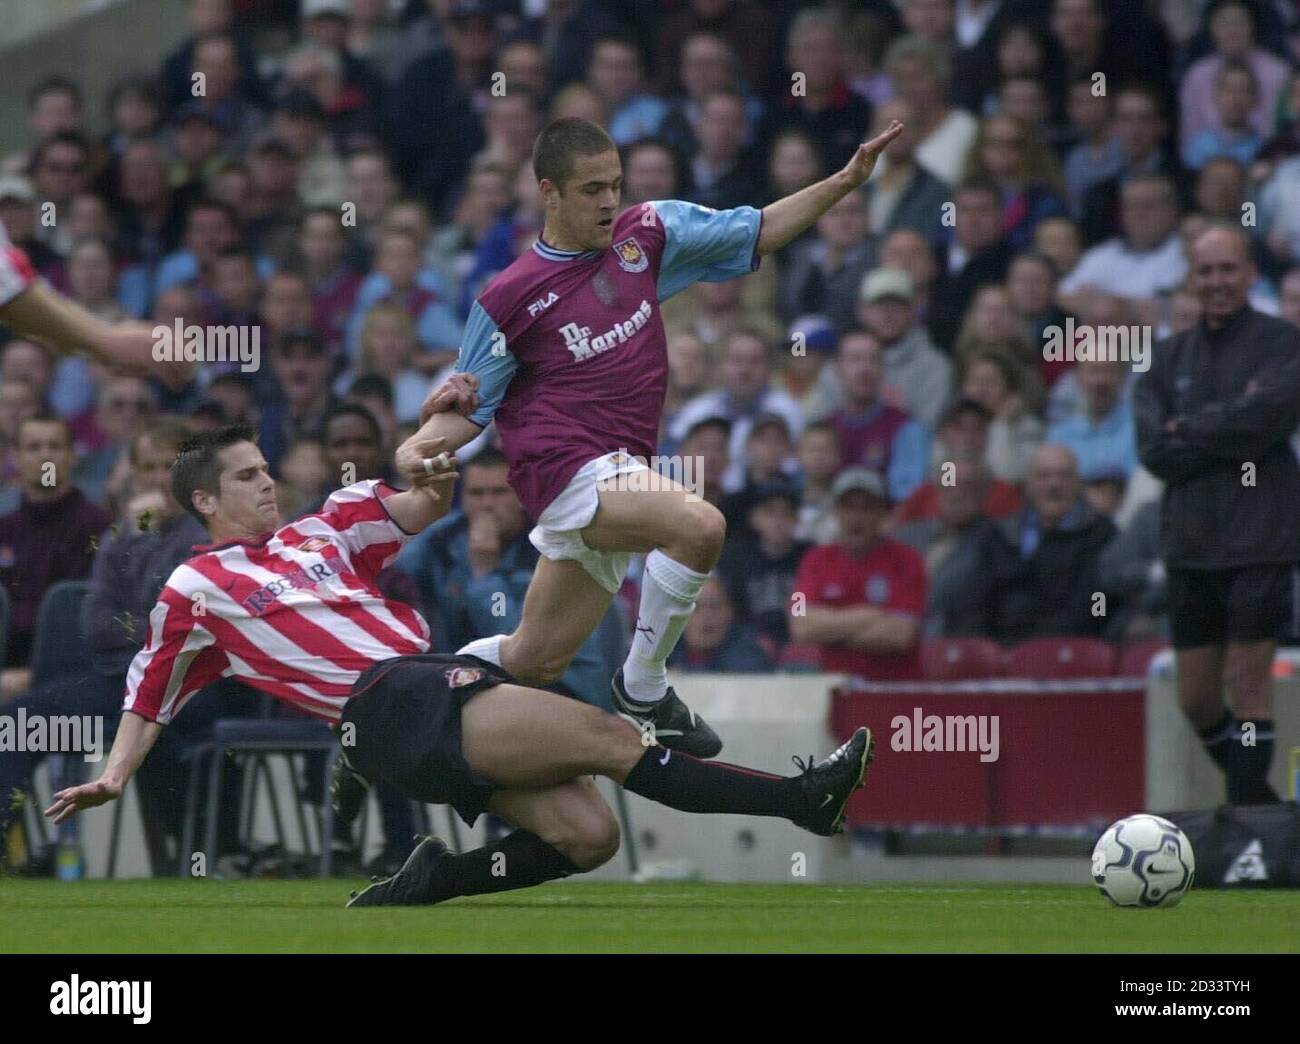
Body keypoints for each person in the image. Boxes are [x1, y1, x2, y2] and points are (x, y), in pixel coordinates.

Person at [45, 424, 875, 908]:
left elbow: (415, 507)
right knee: (605, 736)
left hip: (427, 684)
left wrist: (433, 471)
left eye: (267, 469)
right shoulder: (195, 583)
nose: (269, 483)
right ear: (203, 501)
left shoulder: (323, 527)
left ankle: (435, 880)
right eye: (249, 476)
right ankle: (801, 800)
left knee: (588, 837)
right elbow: (147, 690)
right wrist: (115, 776)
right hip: (384, 704)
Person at [415, 114, 903, 757]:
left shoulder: (647, 233)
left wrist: (843, 182)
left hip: (618, 472)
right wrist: (416, 444)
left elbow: (759, 228)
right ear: (549, 192)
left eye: (615, 184)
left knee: (531, 659)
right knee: (699, 526)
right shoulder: (509, 297)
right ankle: (644, 687)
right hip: (563, 471)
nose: (610, 201)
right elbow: (466, 406)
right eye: (592, 189)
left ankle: (406, 692)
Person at [1134, 225, 1300, 804]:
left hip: (1262, 540)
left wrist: (1192, 426)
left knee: (1250, 686)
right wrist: (1231, 423)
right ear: (1191, 279)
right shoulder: (1166, 357)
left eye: (1227, 269)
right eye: (1205, 271)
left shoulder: (1283, 342)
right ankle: (1264, 811)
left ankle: (1246, 825)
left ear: (1251, 273)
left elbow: (1271, 417)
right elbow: (1154, 450)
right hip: (1190, 543)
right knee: (1197, 699)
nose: (1217, 282)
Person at [789, 467, 926, 680]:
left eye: (867, 508)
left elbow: (901, 634)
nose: (856, 518)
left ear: (883, 513)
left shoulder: (908, 560)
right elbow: (800, 624)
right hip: (834, 689)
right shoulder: (814, 560)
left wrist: (829, 630)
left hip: (892, 689)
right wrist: (868, 615)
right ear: (836, 511)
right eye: (849, 507)